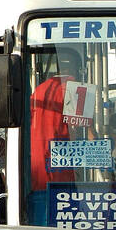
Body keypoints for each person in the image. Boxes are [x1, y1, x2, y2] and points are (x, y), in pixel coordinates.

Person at [29, 48, 85, 191]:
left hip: (37, 162)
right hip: (62, 164)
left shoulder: (39, 90)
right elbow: (80, 130)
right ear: (78, 69)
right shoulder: (76, 88)